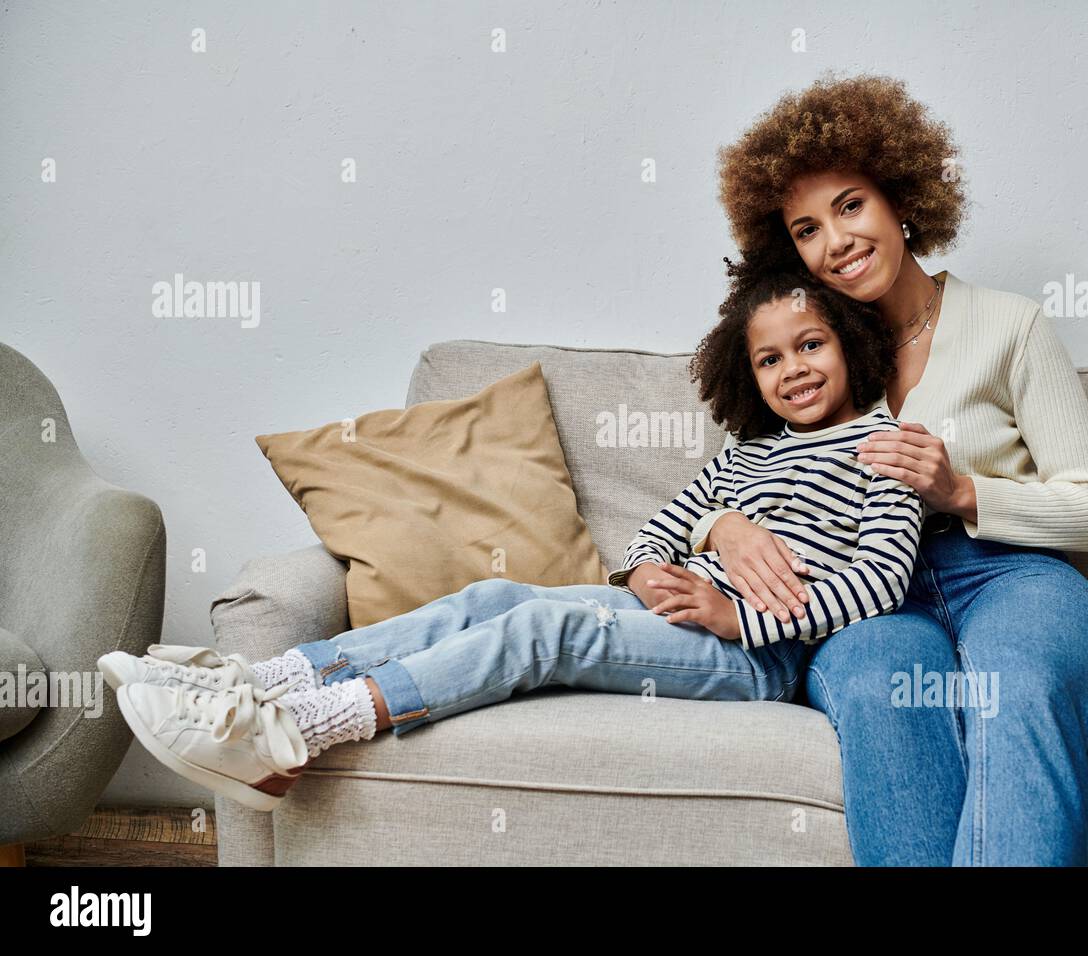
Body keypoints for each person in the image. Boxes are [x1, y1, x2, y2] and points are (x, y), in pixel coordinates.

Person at [99, 264, 923, 814]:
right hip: (674, 616)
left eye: (811, 345)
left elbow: (882, 581)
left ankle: (295, 736)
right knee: (492, 596)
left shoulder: (885, 450)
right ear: (750, 375)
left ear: (851, 343)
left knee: (541, 629)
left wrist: (733, 617)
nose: (796, 369)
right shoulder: (744, 457)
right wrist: (648, 580)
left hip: (754, 658)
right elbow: (649, 540)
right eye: (772, 358)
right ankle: (264, 681)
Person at [692, 71, 1088, 865]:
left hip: (1010, 577)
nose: (836, 241)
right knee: (879, 690)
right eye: (806, 229)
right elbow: (729, 481)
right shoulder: (805, 342)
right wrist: (725, 527)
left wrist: (960, 490)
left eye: (851, 205)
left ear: (900, 198)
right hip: (868, 599)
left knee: (1019, 685)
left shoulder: (1010, 326)